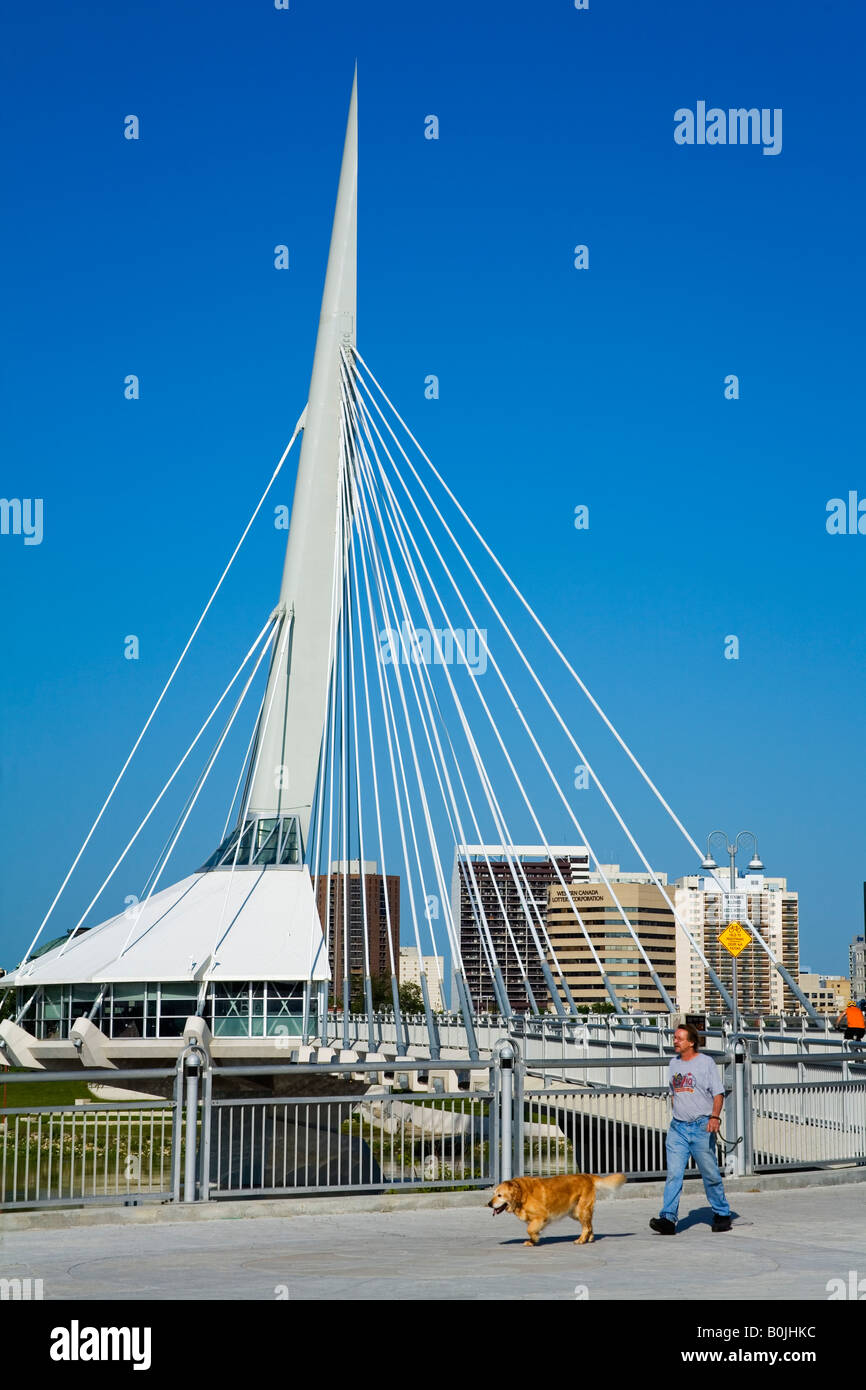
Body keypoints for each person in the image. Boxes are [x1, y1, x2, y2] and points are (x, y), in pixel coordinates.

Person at [649, 1021, 732, 1235]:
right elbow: (674, 1092)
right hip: (678, 1127)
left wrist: (714, 1117)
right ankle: (668, 1218)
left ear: (692, 1042)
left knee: (710, 1173)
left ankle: (722, 1213)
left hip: (701, 1126)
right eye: (675, 1037)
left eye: (679, 1038)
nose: (675, 1041)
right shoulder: (673, 1063)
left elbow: (718, 1093)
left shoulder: (706, 1063)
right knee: (674, 1174)